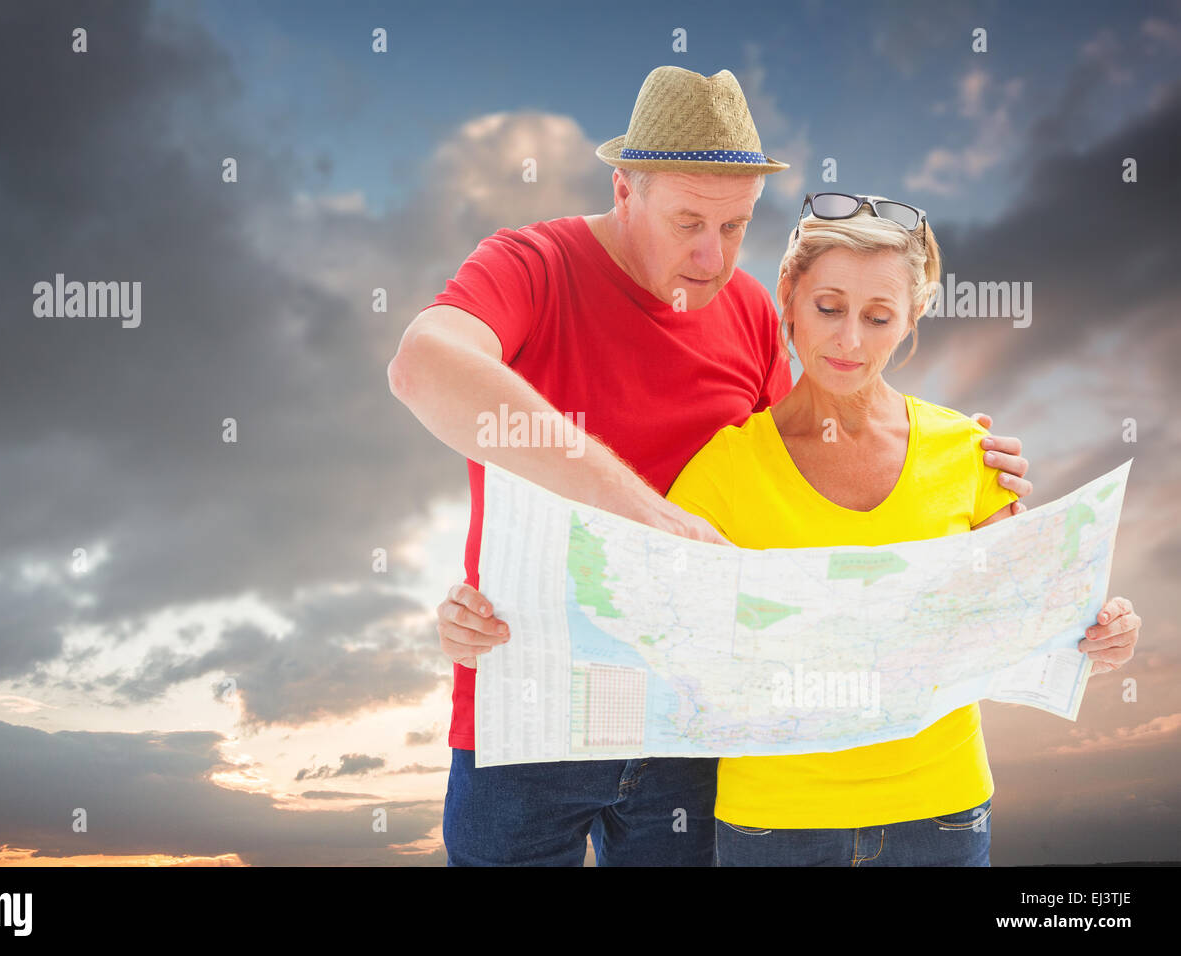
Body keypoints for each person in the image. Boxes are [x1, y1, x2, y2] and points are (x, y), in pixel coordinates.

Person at [389, 66, 1033, 866]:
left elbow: (798, 469)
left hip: (689, 731)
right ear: (625, 188)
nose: (711, 257)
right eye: (689, 220)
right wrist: (644, 513)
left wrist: (959, 464)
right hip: (527, 712)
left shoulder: (753, 311)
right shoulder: (532, 265)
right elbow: (423, 365)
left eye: (735, 228)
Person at [663, 192, 1142, 866]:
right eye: (828, 307)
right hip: (775, 825)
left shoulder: (969, 452)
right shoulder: (722, 473)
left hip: (941, 818)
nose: (849, 340)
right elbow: (655, 640)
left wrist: (1102, 629)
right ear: (789, 295)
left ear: (914, 317)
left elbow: (1033, 624)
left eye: (879, 316)